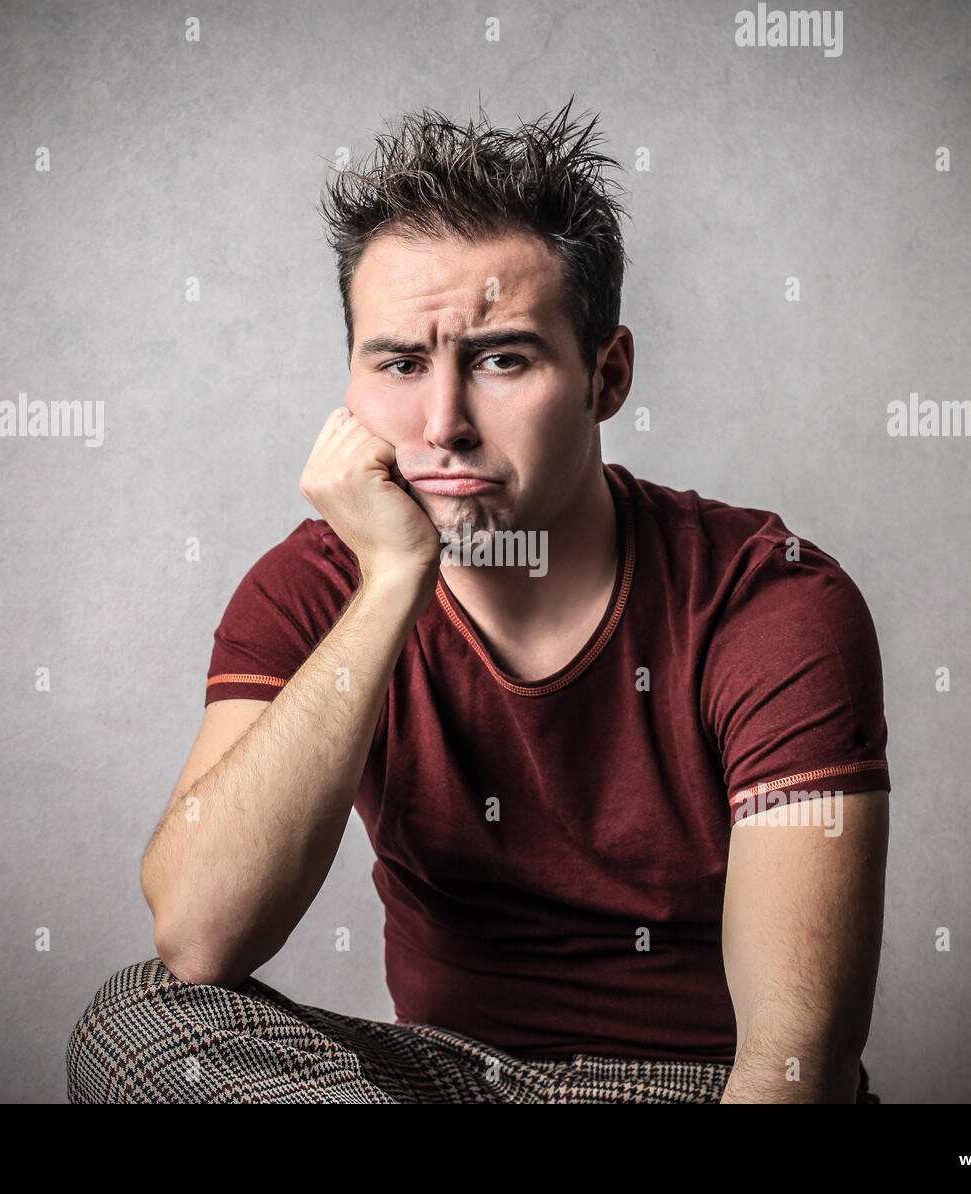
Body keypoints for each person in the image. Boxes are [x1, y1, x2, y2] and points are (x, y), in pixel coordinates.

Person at [67, 99, 890, 1104]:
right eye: (401, 365)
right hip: (451, 1086)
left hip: (695, 1091)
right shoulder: (315, 588)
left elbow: (795, 1059)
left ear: (607, 373)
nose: (443, 423)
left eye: (503, 358)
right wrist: (391, 588)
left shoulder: (765, 598)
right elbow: (201, 935)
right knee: (137, 1018)